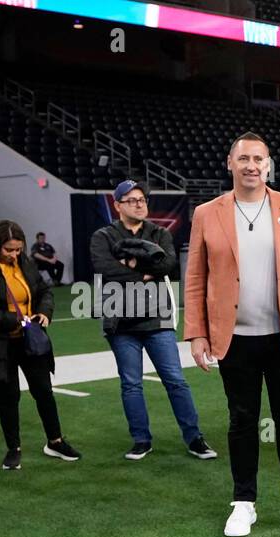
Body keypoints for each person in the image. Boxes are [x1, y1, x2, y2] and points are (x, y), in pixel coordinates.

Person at [184, 131, 280, 537]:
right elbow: (195, 278)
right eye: (245, 158)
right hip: (233, 338)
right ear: (229, 163)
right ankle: (244, 502)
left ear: (268, 165)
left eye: (259, 159)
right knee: (242, 420)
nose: (252, 165)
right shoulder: (206, 213)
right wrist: (197, 333)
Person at [91, 179, 215, 462]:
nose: (139, 204)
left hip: (156, 317)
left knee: (175, 380)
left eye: (142, 200)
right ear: (117, 204)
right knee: (131, 383)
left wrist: (130, 266)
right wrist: (144, 272)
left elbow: (167, 265)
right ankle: (141, 439)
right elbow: (103, 268)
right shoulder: (103, 236)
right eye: (132, 200)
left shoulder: (159, 232)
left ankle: (194, 437)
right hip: (119, 321)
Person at [0, 220, 81, 470]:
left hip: (29, 340)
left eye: (18, 249)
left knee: (44, 391)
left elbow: (44, 291)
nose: (14, 255)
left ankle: (55, 442)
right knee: (9, 395)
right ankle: (13, 449)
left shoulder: (24, 263)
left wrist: (44, 312)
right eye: (8, 250)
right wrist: (10, 319)